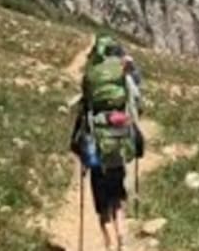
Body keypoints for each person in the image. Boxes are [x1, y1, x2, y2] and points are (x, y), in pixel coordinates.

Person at [71, 32, 143, 250]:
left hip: (98, 148)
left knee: (103, 207)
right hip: (119, 145)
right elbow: (137, 100)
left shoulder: (91, 77)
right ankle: (123, 239)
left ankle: (109, 244)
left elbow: (83, 110)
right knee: (118, 199)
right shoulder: (122, 75)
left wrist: (78, 147)